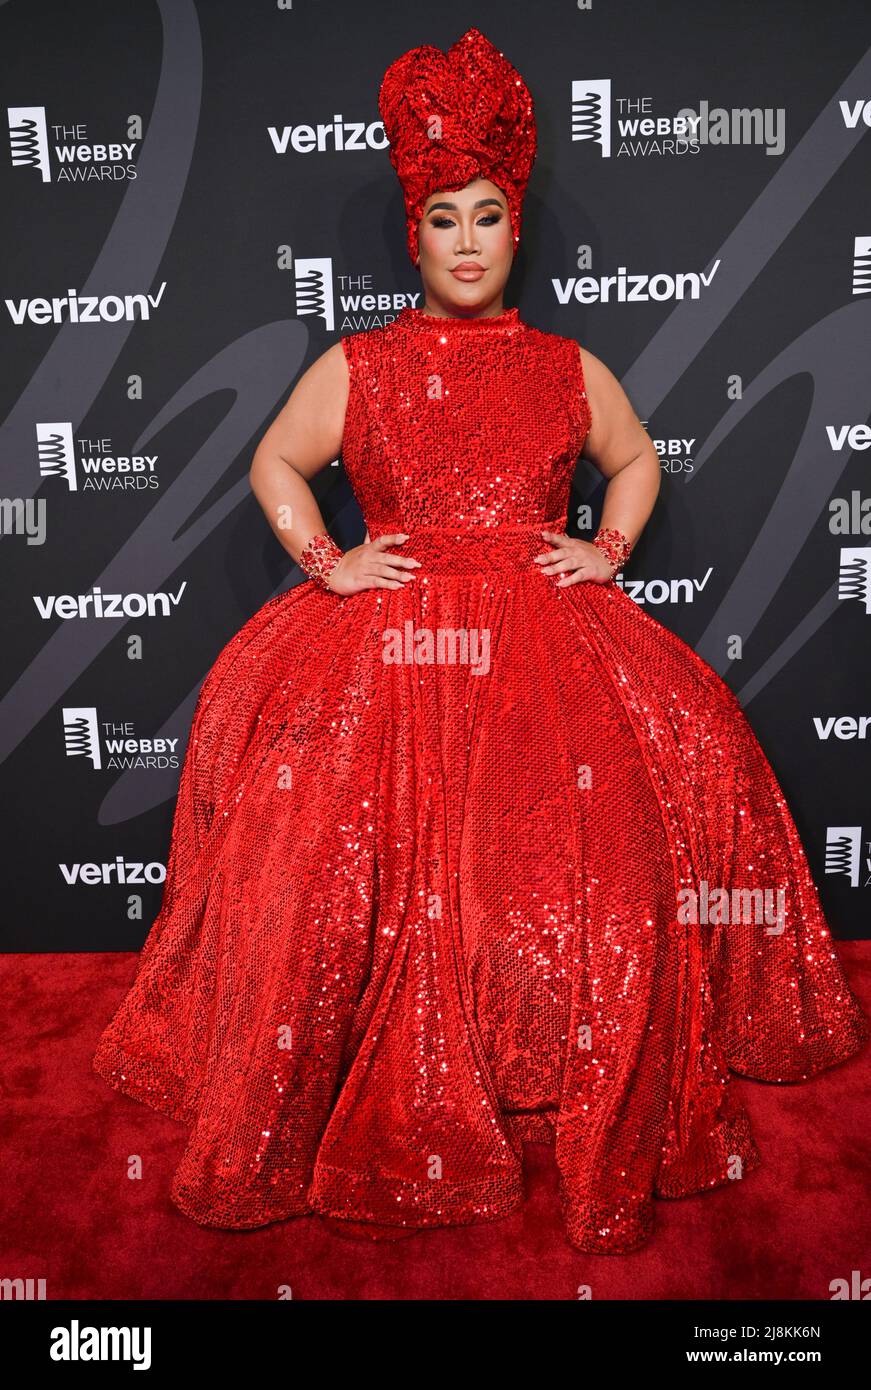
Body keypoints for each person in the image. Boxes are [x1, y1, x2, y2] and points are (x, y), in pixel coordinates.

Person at [92, 26, 869, 1255]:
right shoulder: (362, 363)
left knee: (591, 853)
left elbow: (635, 459)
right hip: (386, 638)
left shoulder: (566, 364)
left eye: (486, 214)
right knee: (345, 871)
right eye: (443, 216)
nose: (465, 238)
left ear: (517, 230)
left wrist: (602, 551)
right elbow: (275, 461)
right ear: (415, 235)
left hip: (543, 630)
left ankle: (545, 1050)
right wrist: (327, 562)